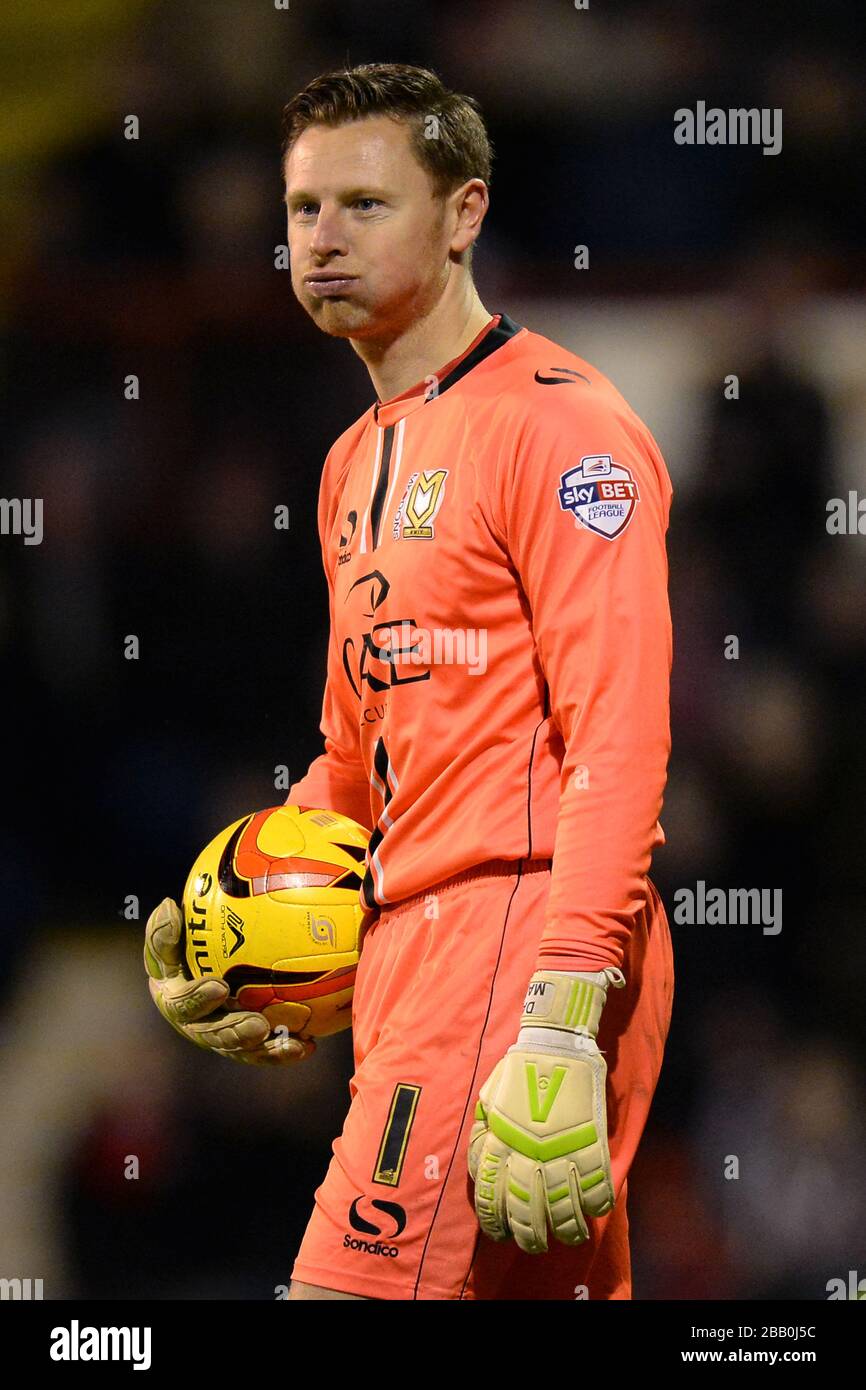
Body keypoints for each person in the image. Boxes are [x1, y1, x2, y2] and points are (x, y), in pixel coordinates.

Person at [144, 61, 675, 1301]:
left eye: (364, 206)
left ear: (463, 214)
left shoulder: (558, 428)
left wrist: (558, 1004)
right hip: (416, 953)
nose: (320, 240)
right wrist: (253, 929)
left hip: (519, 942)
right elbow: (353, 754)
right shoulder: (349, 463)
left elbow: (621, 734)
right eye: (302, 211)